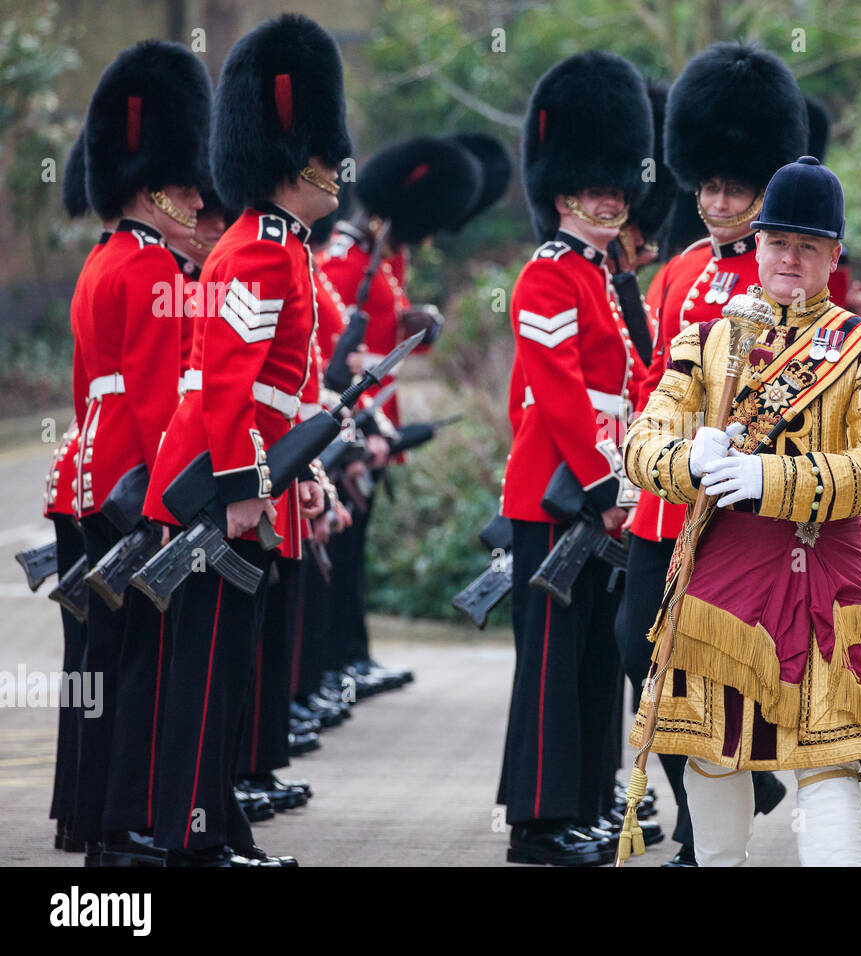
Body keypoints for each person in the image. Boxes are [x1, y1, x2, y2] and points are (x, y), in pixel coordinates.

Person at [625, 155, 861, 866]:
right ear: (756, 243)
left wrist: (770, 478)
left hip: (817, 584)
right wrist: (687, 460)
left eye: (807, 247)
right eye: (778, 242)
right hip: (717, 587)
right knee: (713, 760)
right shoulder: (705, 341)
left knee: (826, 766)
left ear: (833, 256)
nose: (790, 259)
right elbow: (641, 442)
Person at [142, 13, 350, 867]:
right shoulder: (259, 255)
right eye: (326, 155)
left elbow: (278, 390)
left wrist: (288, 476)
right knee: (203, 679)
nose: (337, 168)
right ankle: (190, 843)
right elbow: (226, 388)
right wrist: (239, 490)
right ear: (291, 158)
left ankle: (217, 827)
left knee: (228, 678)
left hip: (247, 482)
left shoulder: (283, 248)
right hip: (212, 492)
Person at [614, 41, 808, 867]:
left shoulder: (787, 276)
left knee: (702, 677)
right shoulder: (683, 269)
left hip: (729, 508)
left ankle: (702, 844)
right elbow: (654, 378)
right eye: (707, 184)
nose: (715, 200)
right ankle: (745, 785)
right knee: (636, 649)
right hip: (666, 496)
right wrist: (637, 469)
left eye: (732, 186)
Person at [497, 50, 652, 867]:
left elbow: (630, 384)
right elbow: (557, 396)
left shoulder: (599, 277)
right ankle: (537, 823)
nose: (612, 199)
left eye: (619, 189)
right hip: (556, 498)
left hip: (600, 491)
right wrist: (600, 488)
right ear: (562, 193)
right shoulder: (548, 277)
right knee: (553, 665)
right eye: (598, 189)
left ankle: (585, 804)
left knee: (591, 660)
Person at [74, 40, 211, 868]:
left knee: (106, 660)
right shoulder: (154, 269)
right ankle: (129, 828)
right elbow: (164, 401)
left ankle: (101, 819)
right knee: (142, 668)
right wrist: (174, 501)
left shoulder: (103, 262)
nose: (199, 199)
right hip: (142, 488)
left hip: (97, 478)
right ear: (152, 186)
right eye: (188, 187)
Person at [316, 135, 482, 695]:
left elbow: (386, 346)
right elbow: (337, 362)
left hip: (376, 419)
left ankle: (354, 656)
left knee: (355, 547)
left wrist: (417, 326)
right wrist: (366, 427)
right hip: (351, 426)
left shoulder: (383, 260)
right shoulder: (343, 263)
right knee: (339, 552)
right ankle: (338, 661)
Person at [44, 127, 106, 857]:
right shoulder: (134, 269)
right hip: (110, 483)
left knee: (85, 663)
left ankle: (75, 807)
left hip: (83, 473)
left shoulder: (98, 263)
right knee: (99, 663)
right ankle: (88, 810)